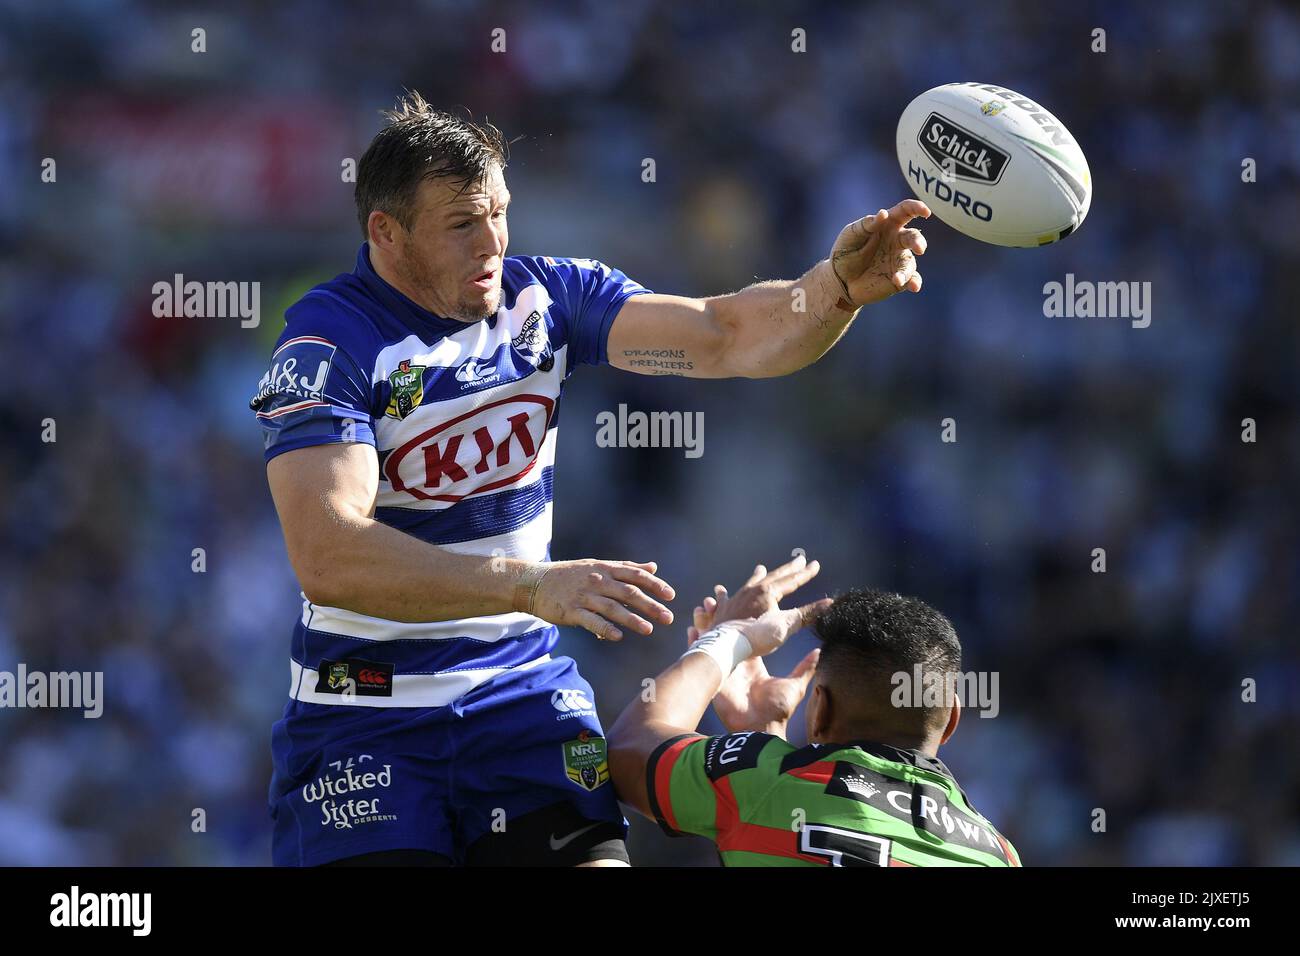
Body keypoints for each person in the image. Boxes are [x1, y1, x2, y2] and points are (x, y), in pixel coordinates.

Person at [249, 91, 931, 867]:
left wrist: (832, 291)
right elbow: (328, 553)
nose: (494, 244)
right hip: (364, 713)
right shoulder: (329, 342)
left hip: (519, 698)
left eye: (501, 213)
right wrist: (530, 586)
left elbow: (723, 334)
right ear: (386, 232)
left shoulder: (547, 301)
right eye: (463, 224)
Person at [608, 556, 1021, 866]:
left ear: (819, 708)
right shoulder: (999, 854)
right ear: (951, 719)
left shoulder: (760, 782)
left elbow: (629, 748)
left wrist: (729, 640)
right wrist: (763, 734)